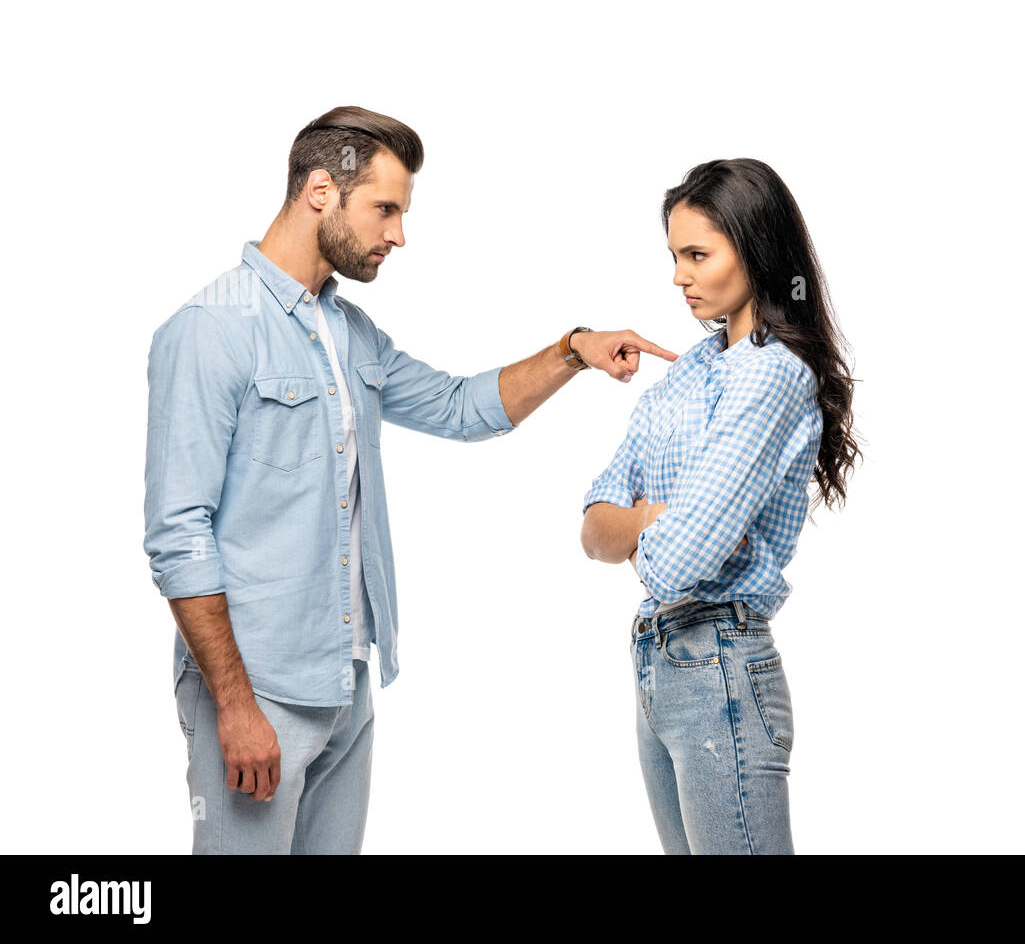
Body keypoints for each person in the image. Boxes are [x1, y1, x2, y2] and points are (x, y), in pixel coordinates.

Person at [144, 105, 677, 854]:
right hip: (255, 692)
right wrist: (234, 705)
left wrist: (575, 350)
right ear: (320, 191)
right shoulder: (210, 329)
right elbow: (177, 534)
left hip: (345, 685)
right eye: (385, 209)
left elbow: (462, 407)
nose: (398, 234)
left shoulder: (350, 332)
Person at [580, 158, 861, 854]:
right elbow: (592, 523)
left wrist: (644, 525)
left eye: (697, 254)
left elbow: (678, 563)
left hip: (720, 669)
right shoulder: (690, 373)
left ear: (756, 250)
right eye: (675, 255)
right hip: (660, 664)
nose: (679, 275)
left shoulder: (771, 375)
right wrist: (652, 517)